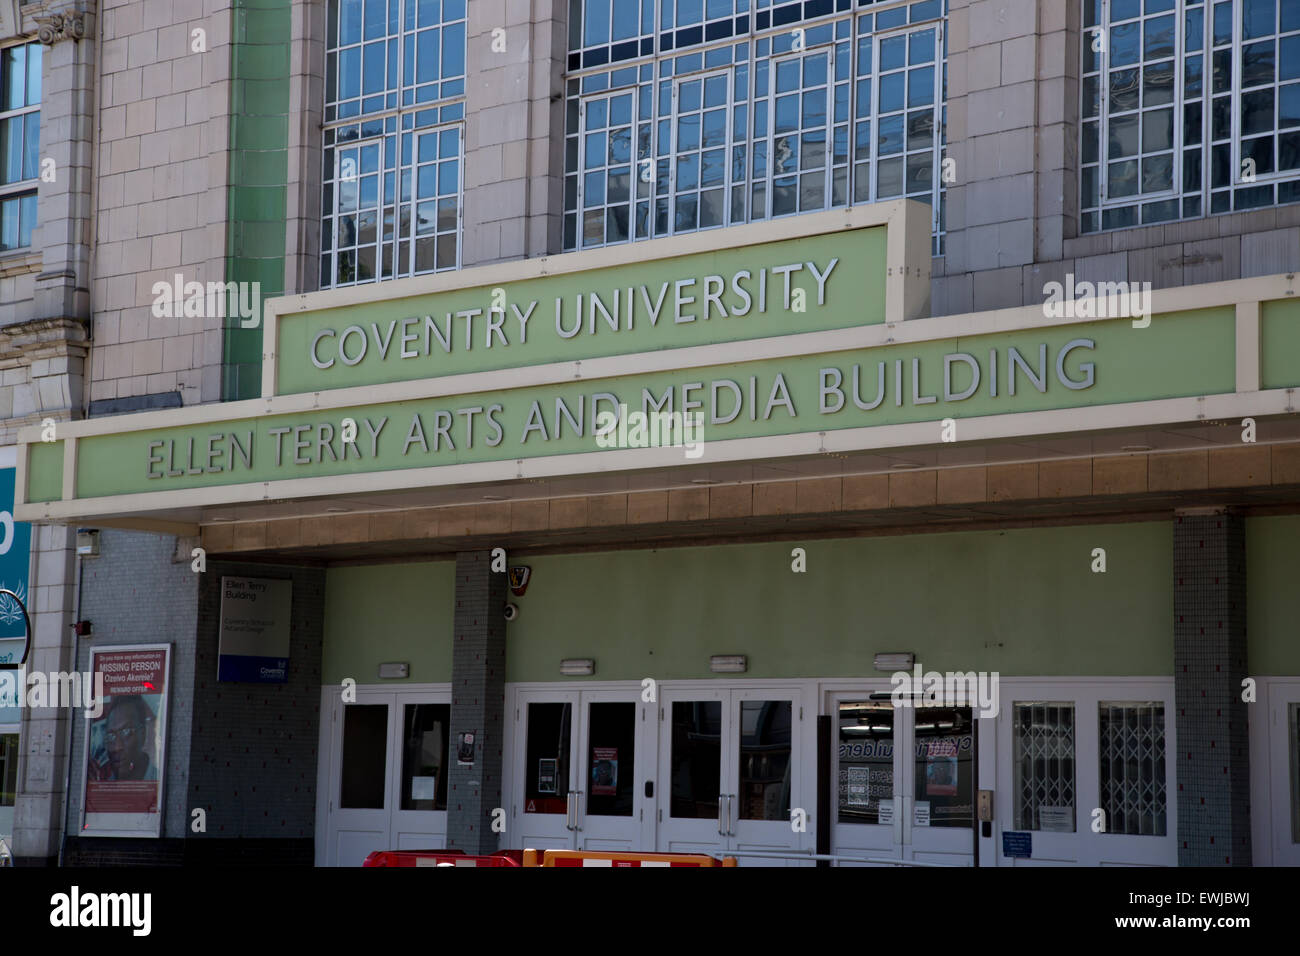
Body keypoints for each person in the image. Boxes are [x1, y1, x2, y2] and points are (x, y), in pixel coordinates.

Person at [98, 695, 158, 782]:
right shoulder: (102, 783)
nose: (117, 747)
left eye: (126, 732)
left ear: (143, 733)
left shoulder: (160, 780)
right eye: (111, 736)